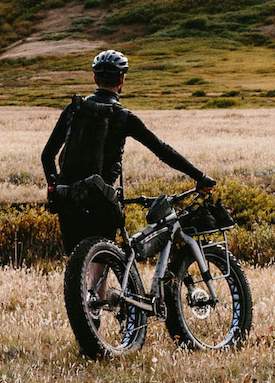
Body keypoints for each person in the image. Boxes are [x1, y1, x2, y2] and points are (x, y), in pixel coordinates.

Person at [42, 48, 215, 254]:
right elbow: (162, 150)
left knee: (76, 261)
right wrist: (199, 176)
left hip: (68, 196)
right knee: (101, 260)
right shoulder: (124, 117)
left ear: (95, 78)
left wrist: (54, 187)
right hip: (102, 197)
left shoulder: (74, 109)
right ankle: (97, 288)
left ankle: (80, 287)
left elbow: (47, 155)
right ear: (122, 80)